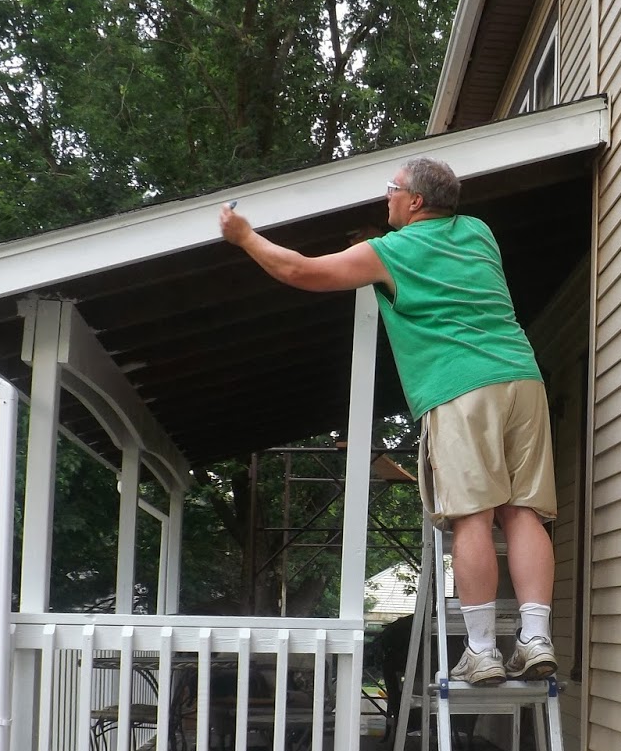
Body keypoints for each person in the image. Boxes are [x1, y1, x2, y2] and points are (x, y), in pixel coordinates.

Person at [219, 157, 557, 686]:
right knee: (523, 512)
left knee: (473, 516)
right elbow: (434, 254)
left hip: (459, 387)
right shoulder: (478, 231)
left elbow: (298, 270)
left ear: (416, 200)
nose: (388, 197)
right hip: (522, 377)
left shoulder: (390, 254)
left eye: (392, 189)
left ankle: (484, 649)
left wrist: (244, 238)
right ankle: (536, 639)